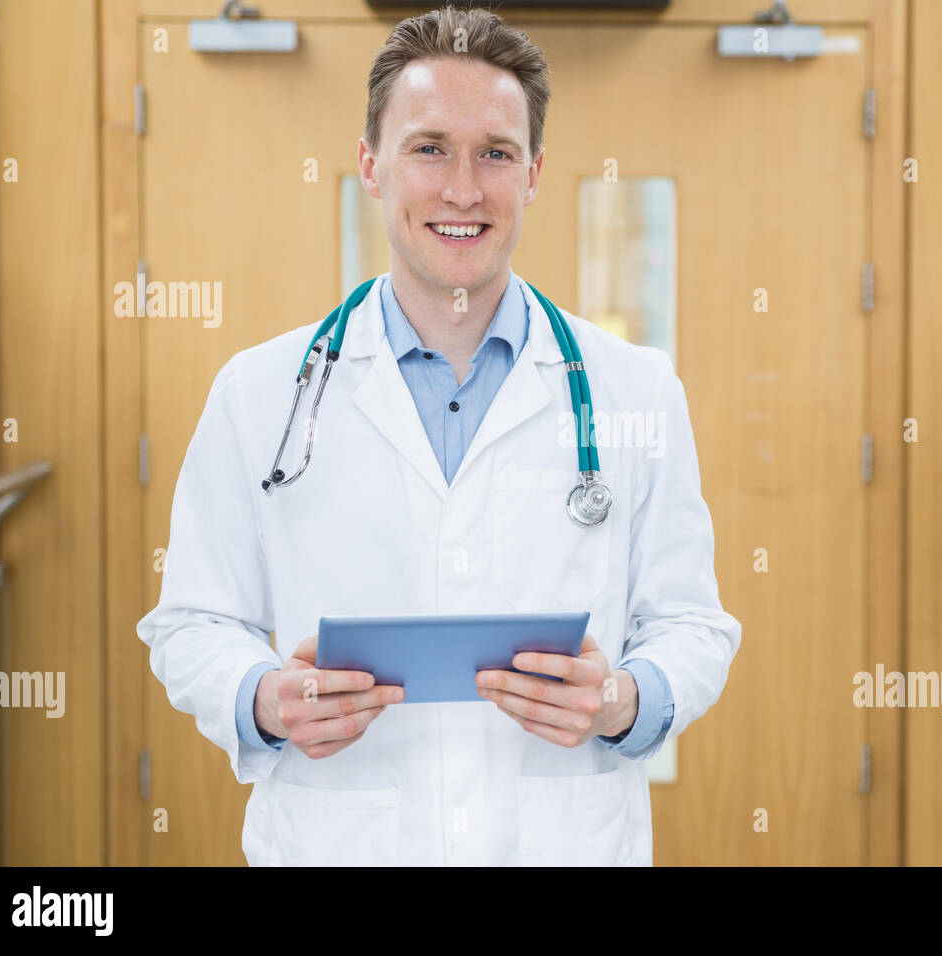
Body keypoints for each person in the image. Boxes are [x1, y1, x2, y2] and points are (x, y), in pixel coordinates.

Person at [137, 3, 740, 866]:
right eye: (429, 148)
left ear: (532, 174)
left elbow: (692, 624)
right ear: (371, 167)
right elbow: (192, 621)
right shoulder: (258, 393)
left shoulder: (633, 389)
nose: (463, 189)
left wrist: (621, 699)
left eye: (495, 153)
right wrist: (265, 698)